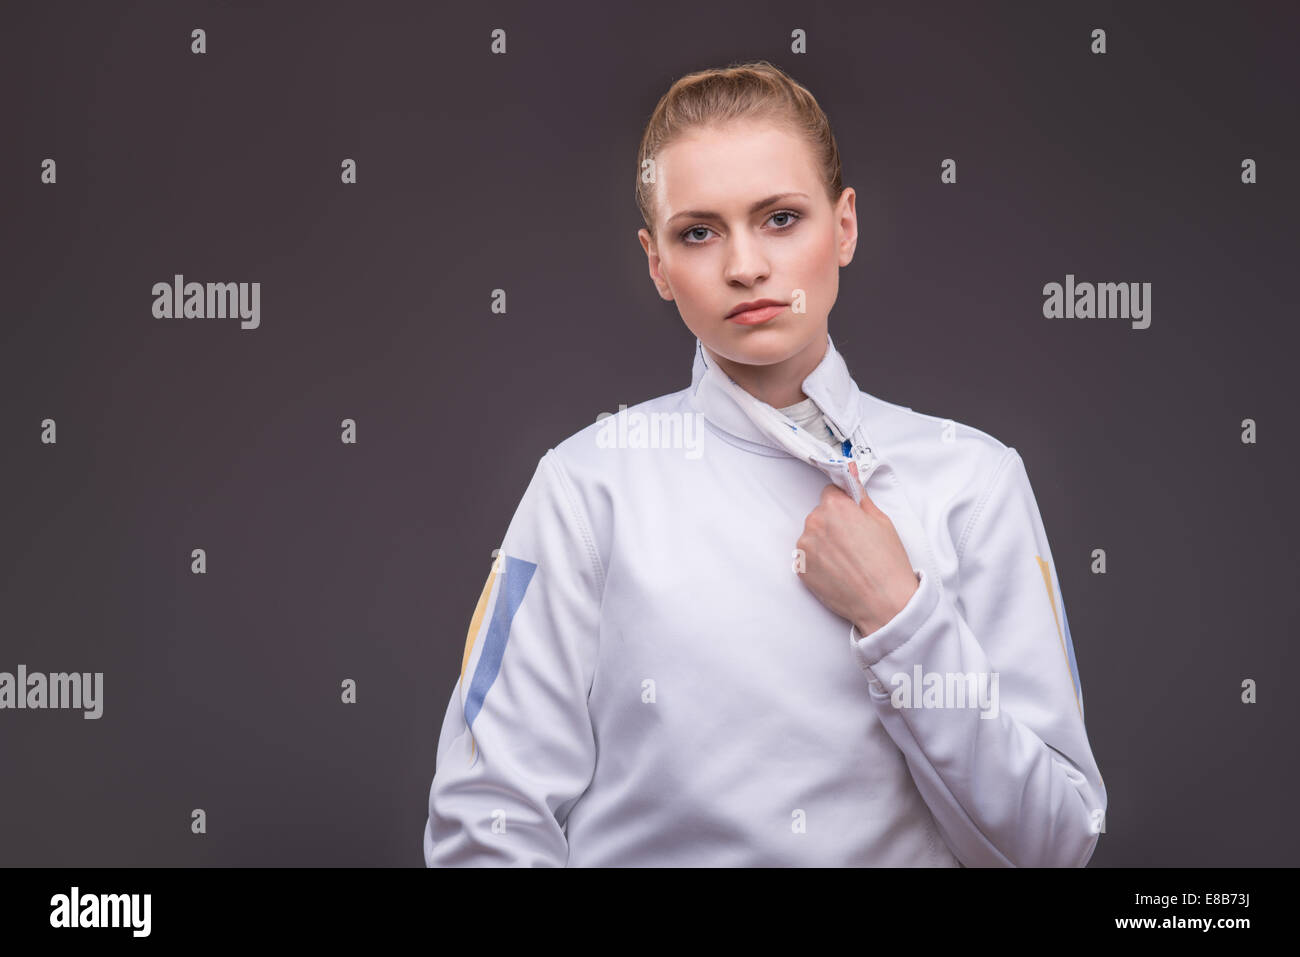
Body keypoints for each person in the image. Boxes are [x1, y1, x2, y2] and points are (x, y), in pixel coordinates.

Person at [423, 60, 1106, 867]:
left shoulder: (974, 480)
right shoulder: (585, 486)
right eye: (699, 232)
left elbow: (1054, 843)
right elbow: (487, 818)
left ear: (844, 226)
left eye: (781, 218)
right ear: (655, 263)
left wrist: (900, 617)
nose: (745, 265)